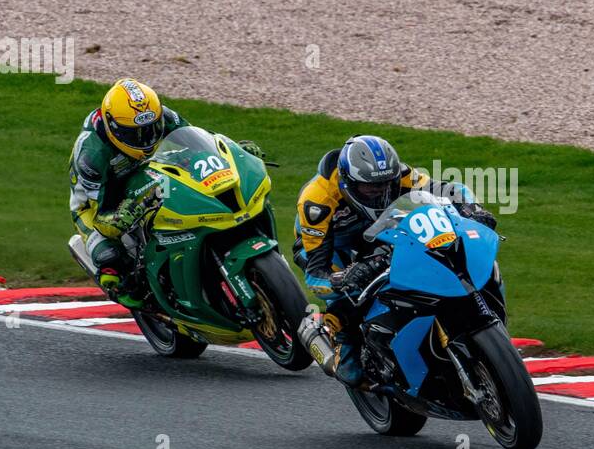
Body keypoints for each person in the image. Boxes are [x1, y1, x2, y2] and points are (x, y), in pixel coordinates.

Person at [293, 135, 496, 387]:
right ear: (348, 184)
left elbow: (446, 189)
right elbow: (315, 275)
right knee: (348, 297)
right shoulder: (317, 201)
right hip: (329, 243)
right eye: (370, 188)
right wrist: (344, 277)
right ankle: (338, 344)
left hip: (376, 229)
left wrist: (472, 210)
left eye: (385, 185)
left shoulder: (398, 173)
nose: (379, 192)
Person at [68, 78, 262, 308]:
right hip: (98, 204)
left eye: (151, 130)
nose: (147, 139)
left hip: (146, 173)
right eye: (135, 135)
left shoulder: (161, 115)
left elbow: (198, 142)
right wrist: (122, 216)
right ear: (114, 128)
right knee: (111, 260)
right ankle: (131, 292)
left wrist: (233, 153)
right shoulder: (91, 154)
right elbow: (101, 218)